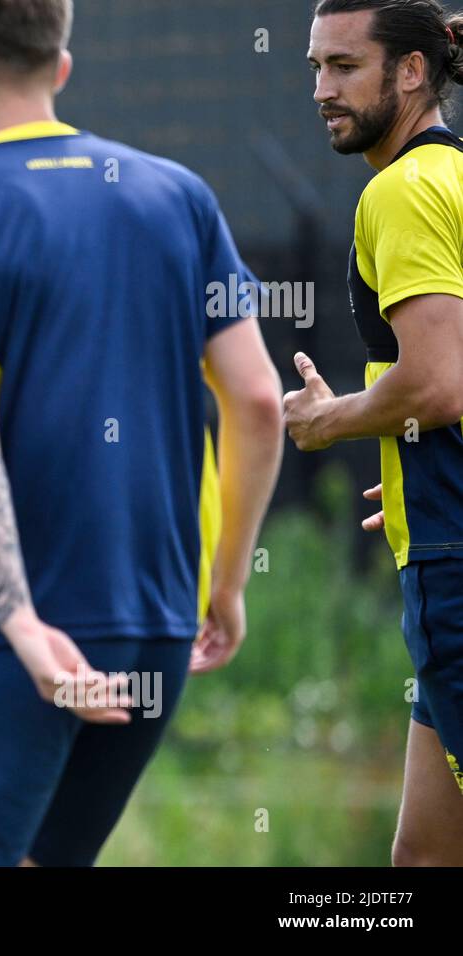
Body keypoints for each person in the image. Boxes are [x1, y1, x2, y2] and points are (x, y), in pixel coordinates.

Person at [0, 0, 283, 866]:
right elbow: (257, 400)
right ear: (59, 69)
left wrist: (22, 622)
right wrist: (225, 586)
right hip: (160, 621)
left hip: (14, 638)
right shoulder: (180, 195)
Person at [288, 0, 463, 866]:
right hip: (438, 526)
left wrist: (332, 422)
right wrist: (404, 465)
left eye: (344, 67)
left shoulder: (402, 191)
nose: (323, 89)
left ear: (411, 71)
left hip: (455, 561)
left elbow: (434, 380)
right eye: (316, 67)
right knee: (423, 857)